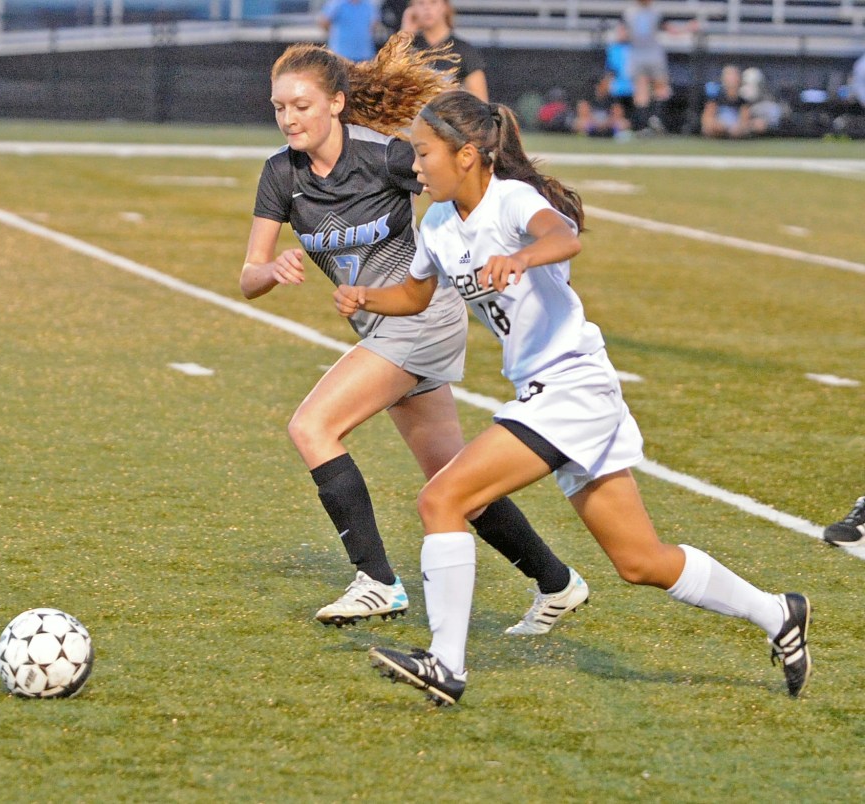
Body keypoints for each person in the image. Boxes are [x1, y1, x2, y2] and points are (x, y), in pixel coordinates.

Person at [334, 90, 812, 704]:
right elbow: (415, 297)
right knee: (640, 561)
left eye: (425, 154)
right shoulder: (436, 225)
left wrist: (522, 257)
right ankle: (780, 613)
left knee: (442, 498)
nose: (415, 166)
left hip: (572, 388)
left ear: (469, 156)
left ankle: (445, 666)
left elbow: (564, 237)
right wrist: (365, 298)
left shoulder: (512, 202)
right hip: (558, 393)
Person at [241, 38, 590, 633]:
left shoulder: (385, 157)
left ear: (336, 104)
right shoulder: (281, 175)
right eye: (279, 107)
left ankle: (376, 580)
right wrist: (270, 271)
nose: (289, 118)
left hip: (424, 317)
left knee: (313, 426)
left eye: (301, 105)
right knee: (454, 481)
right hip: (380, 322)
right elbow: (249, 275)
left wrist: (515, 231)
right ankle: (558, 583)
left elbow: (461, 178)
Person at [616, 0, 697, 133]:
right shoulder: (630, 13)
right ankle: (644, 124)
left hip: (652, 54)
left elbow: (671, 30)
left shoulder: (655, 12)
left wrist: (687, 28)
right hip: (638, 53)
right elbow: (621, 34)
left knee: (661, 88)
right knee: (642, 91)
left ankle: (655, 119)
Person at [402, 0, 488, 101]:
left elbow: (481, 101)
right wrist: (405, 33)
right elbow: (386, 78)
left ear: (445, 6)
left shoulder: (464, 50)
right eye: (421, 3)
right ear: (412, 9)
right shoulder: (408, 47)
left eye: (433, 2)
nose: (427, 8)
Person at [701, 64, 757, 138]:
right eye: (729, 76)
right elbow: (707, 119)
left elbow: (745, 121)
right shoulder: (715, 99)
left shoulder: (743, 101)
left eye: (734, 76)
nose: (732, 79)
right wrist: (719, 126)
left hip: (736, 131)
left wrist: (738, 128)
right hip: (718, 129)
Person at [573, 71, 632, 138]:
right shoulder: (588, 95)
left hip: (608, 124)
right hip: (592, 124)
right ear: (600, 84)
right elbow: (583, 113)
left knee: (624, 123)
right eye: (607, 82)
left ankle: (611, 133)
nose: (609, 84)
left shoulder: (613, 97)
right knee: (579, 123)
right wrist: (596, 123)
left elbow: (617, 114)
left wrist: (606, 123)